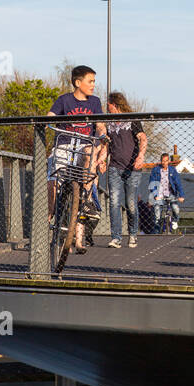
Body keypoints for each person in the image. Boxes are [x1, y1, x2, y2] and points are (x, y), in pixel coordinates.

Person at [48, 66, 106, 253]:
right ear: (78, 83)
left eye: (94, 82)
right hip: (64, 144)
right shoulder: (64, 100)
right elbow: (50, 117)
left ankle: (86, 198)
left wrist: (102, 134)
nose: (93, 85)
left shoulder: (95, 102)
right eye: (90, 81)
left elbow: (100, 125)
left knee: (90, 150)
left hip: (83, 146)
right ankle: (49, 217)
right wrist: (46, 122)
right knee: (54, 184)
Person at [104, 92, 148, 249]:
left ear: (114, 104)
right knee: (114, 202)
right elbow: (106, 145)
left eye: (108, 104)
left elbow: (143, 138)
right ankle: (116, 237)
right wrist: (102, 159)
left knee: (130, 203)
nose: (106, 107)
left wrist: (141, 156)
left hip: (132, 169)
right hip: (115, 167)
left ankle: (133, 234)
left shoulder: (132, 120)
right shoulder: (108, 123)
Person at [148, 153, 184, 233]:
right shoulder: (155, 170)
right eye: (163, 161)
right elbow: (152, 183)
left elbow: (178, 183)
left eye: (166, 161)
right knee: (157, 209)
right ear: (161, 161)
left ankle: (175, 220)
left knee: (175, 208)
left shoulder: (172, 170)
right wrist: (155, 195)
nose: (164, 163)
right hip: (159, 194)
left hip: (170, 193)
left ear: (168, 161)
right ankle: (157, 227)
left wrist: (181, 195)